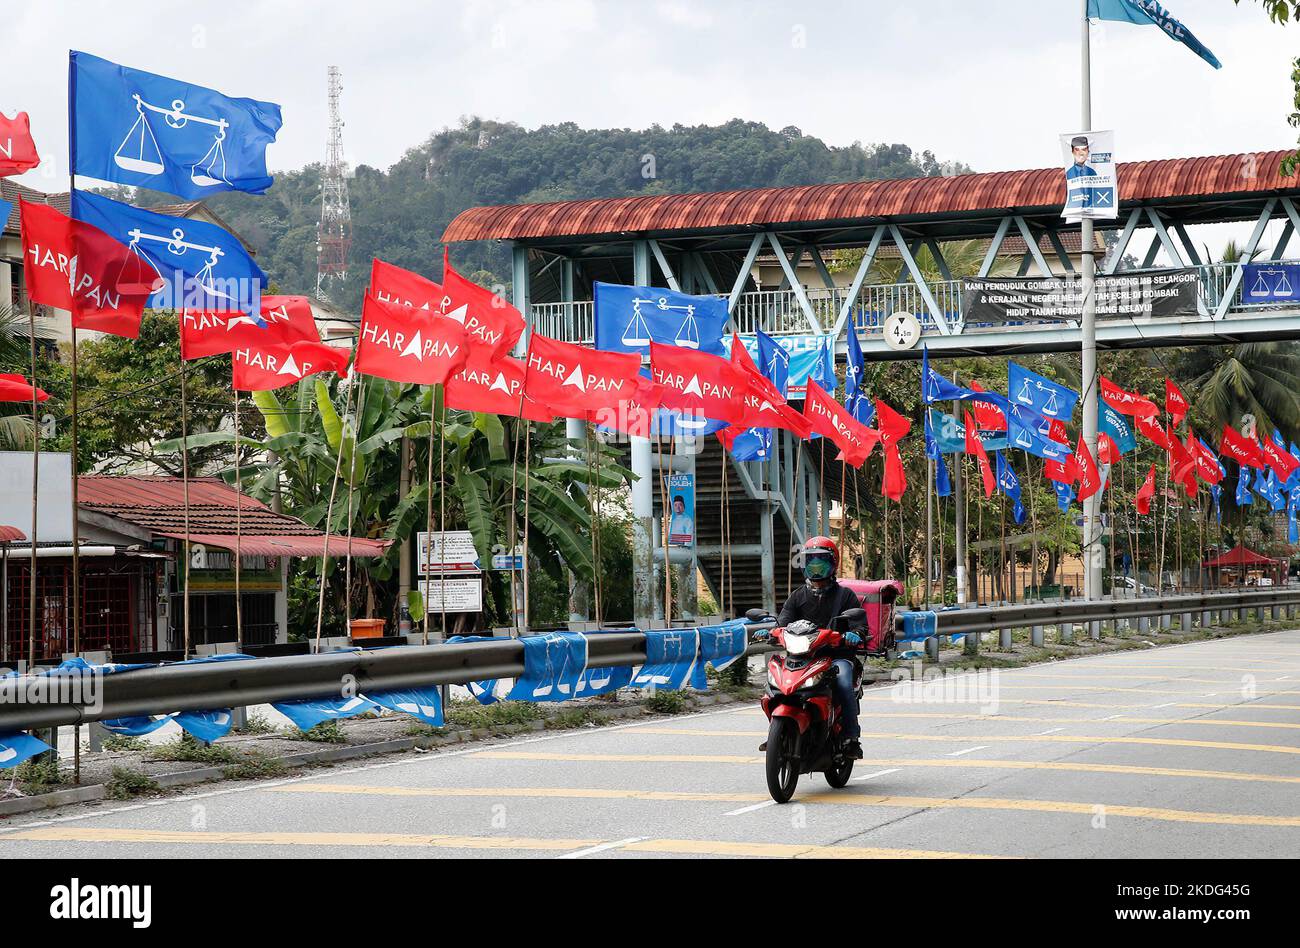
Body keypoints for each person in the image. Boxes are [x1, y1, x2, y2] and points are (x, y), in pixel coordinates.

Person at [774, 536, 865, 759]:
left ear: (833, 564)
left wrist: (854, 634)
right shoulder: (797, 596)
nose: (816, 566)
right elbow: (782, 621)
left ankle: (851, 737)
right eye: (810, 560)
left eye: (821, 560)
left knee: (843, 681)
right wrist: (771, 630)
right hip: (804, 658)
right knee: (776, 681)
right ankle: (779, 734)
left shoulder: (845, 596)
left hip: (836, 657)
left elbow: (860, 624)